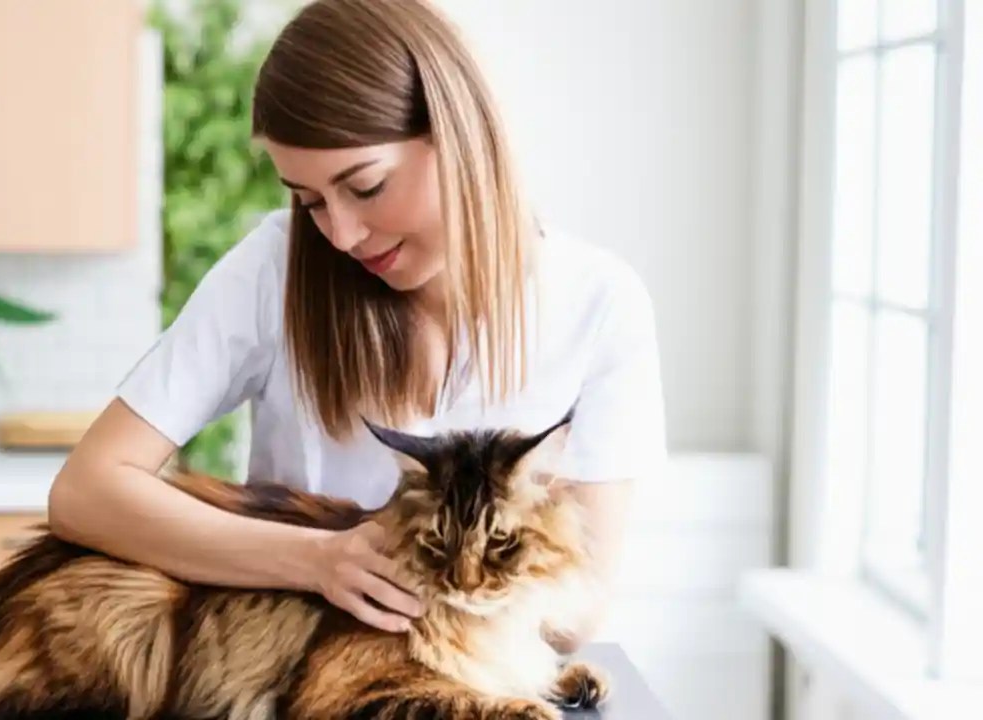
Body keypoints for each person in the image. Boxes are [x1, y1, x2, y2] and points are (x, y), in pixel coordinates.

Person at [48, 0, 666, 650]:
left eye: (366, 187)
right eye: (310, 201)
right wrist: (315, 560)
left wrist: (438, 598)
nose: (340, 235)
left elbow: (577, 613)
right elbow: (86, 492)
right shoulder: (274, 268)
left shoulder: (600, 304)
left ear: (457, 135)